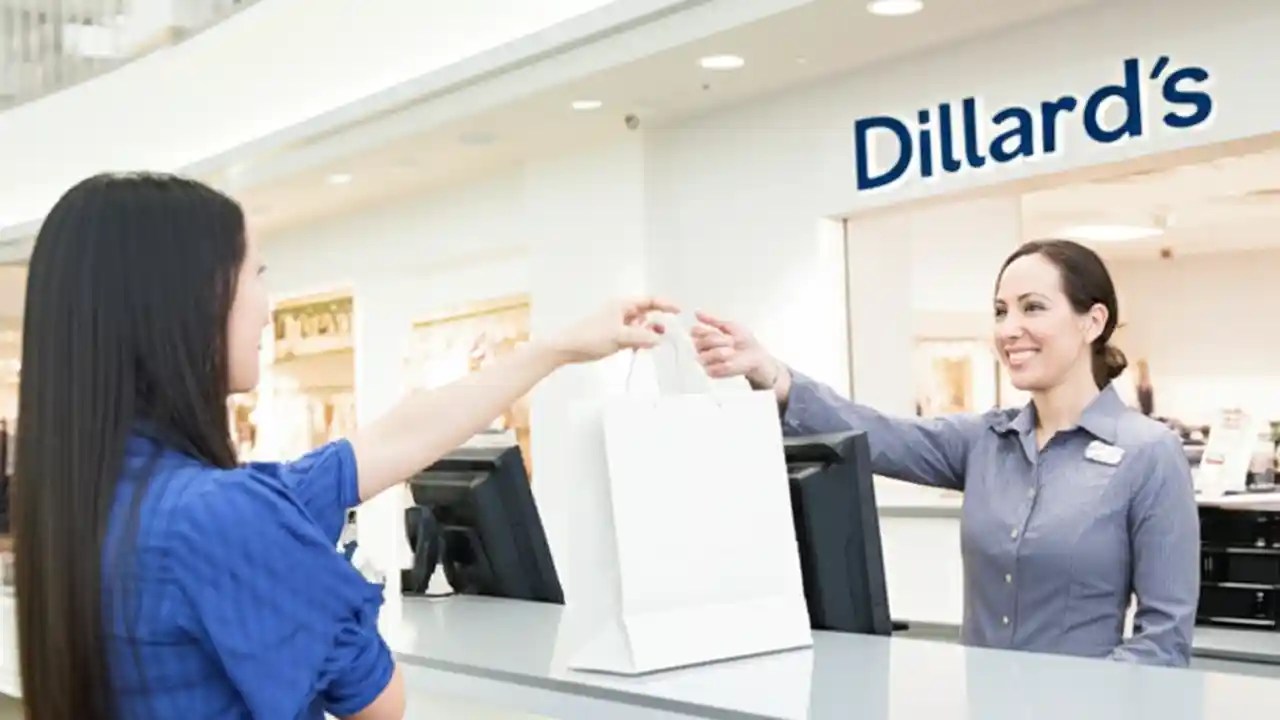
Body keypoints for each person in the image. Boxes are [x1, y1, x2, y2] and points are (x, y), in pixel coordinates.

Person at [12, 172, 677, 720]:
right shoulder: (218, 518)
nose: (268, 307)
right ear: (181, 304)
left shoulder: (97, 499)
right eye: (257, 274)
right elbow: (380, 704)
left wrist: (557, 348)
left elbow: (390, 440)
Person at [690, 239, 1199, 667]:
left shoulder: (1149, 454)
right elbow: (876, 433)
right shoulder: (984, 442)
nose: (1008, 328)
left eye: (1033, 307)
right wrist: (770, 373)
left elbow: (1164, 640)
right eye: (1001, 311)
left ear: (1093, 322)